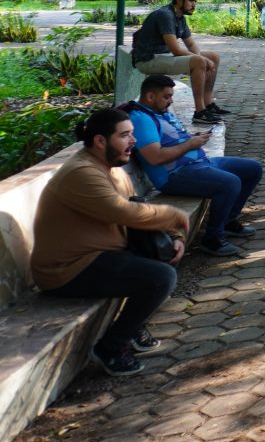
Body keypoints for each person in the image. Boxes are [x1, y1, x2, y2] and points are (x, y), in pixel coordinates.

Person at [31, 108, 188, 377]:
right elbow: (124, 213)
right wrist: (174, 216)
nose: (133, 141)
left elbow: (137, 207)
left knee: (157, 256)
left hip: (101, 254)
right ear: (100, 141)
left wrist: (175, 234)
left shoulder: (110, 167)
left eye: (132, 134)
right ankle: (111, 348)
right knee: (161, 277)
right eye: (124, 135)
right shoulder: (81, 173)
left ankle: (132, 326)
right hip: (67, 270)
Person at [127, 75, 263, 258]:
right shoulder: (142, 119)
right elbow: (155, 157)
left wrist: (193, 139)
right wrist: (191, 144)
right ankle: (212, 239)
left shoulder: (158, 111)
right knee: (230, 183)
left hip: (198, 164)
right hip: (175, 175)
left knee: (252, 169)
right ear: (150, 97)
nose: (170, 101)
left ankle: (228, 221)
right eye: (167, 96)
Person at [130, 0, 226, 126]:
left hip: (162, 56)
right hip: (147, 59)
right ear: (179, 1)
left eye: (195, 2)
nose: (194, 5)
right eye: (191, 1)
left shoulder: (180, 18)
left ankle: (208, 104)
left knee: (213, 57)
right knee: (199, 61)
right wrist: (202, 60)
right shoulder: (166, 15)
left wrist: (204, 59)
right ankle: (200, 112)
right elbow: (176, 50)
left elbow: (191, 45)